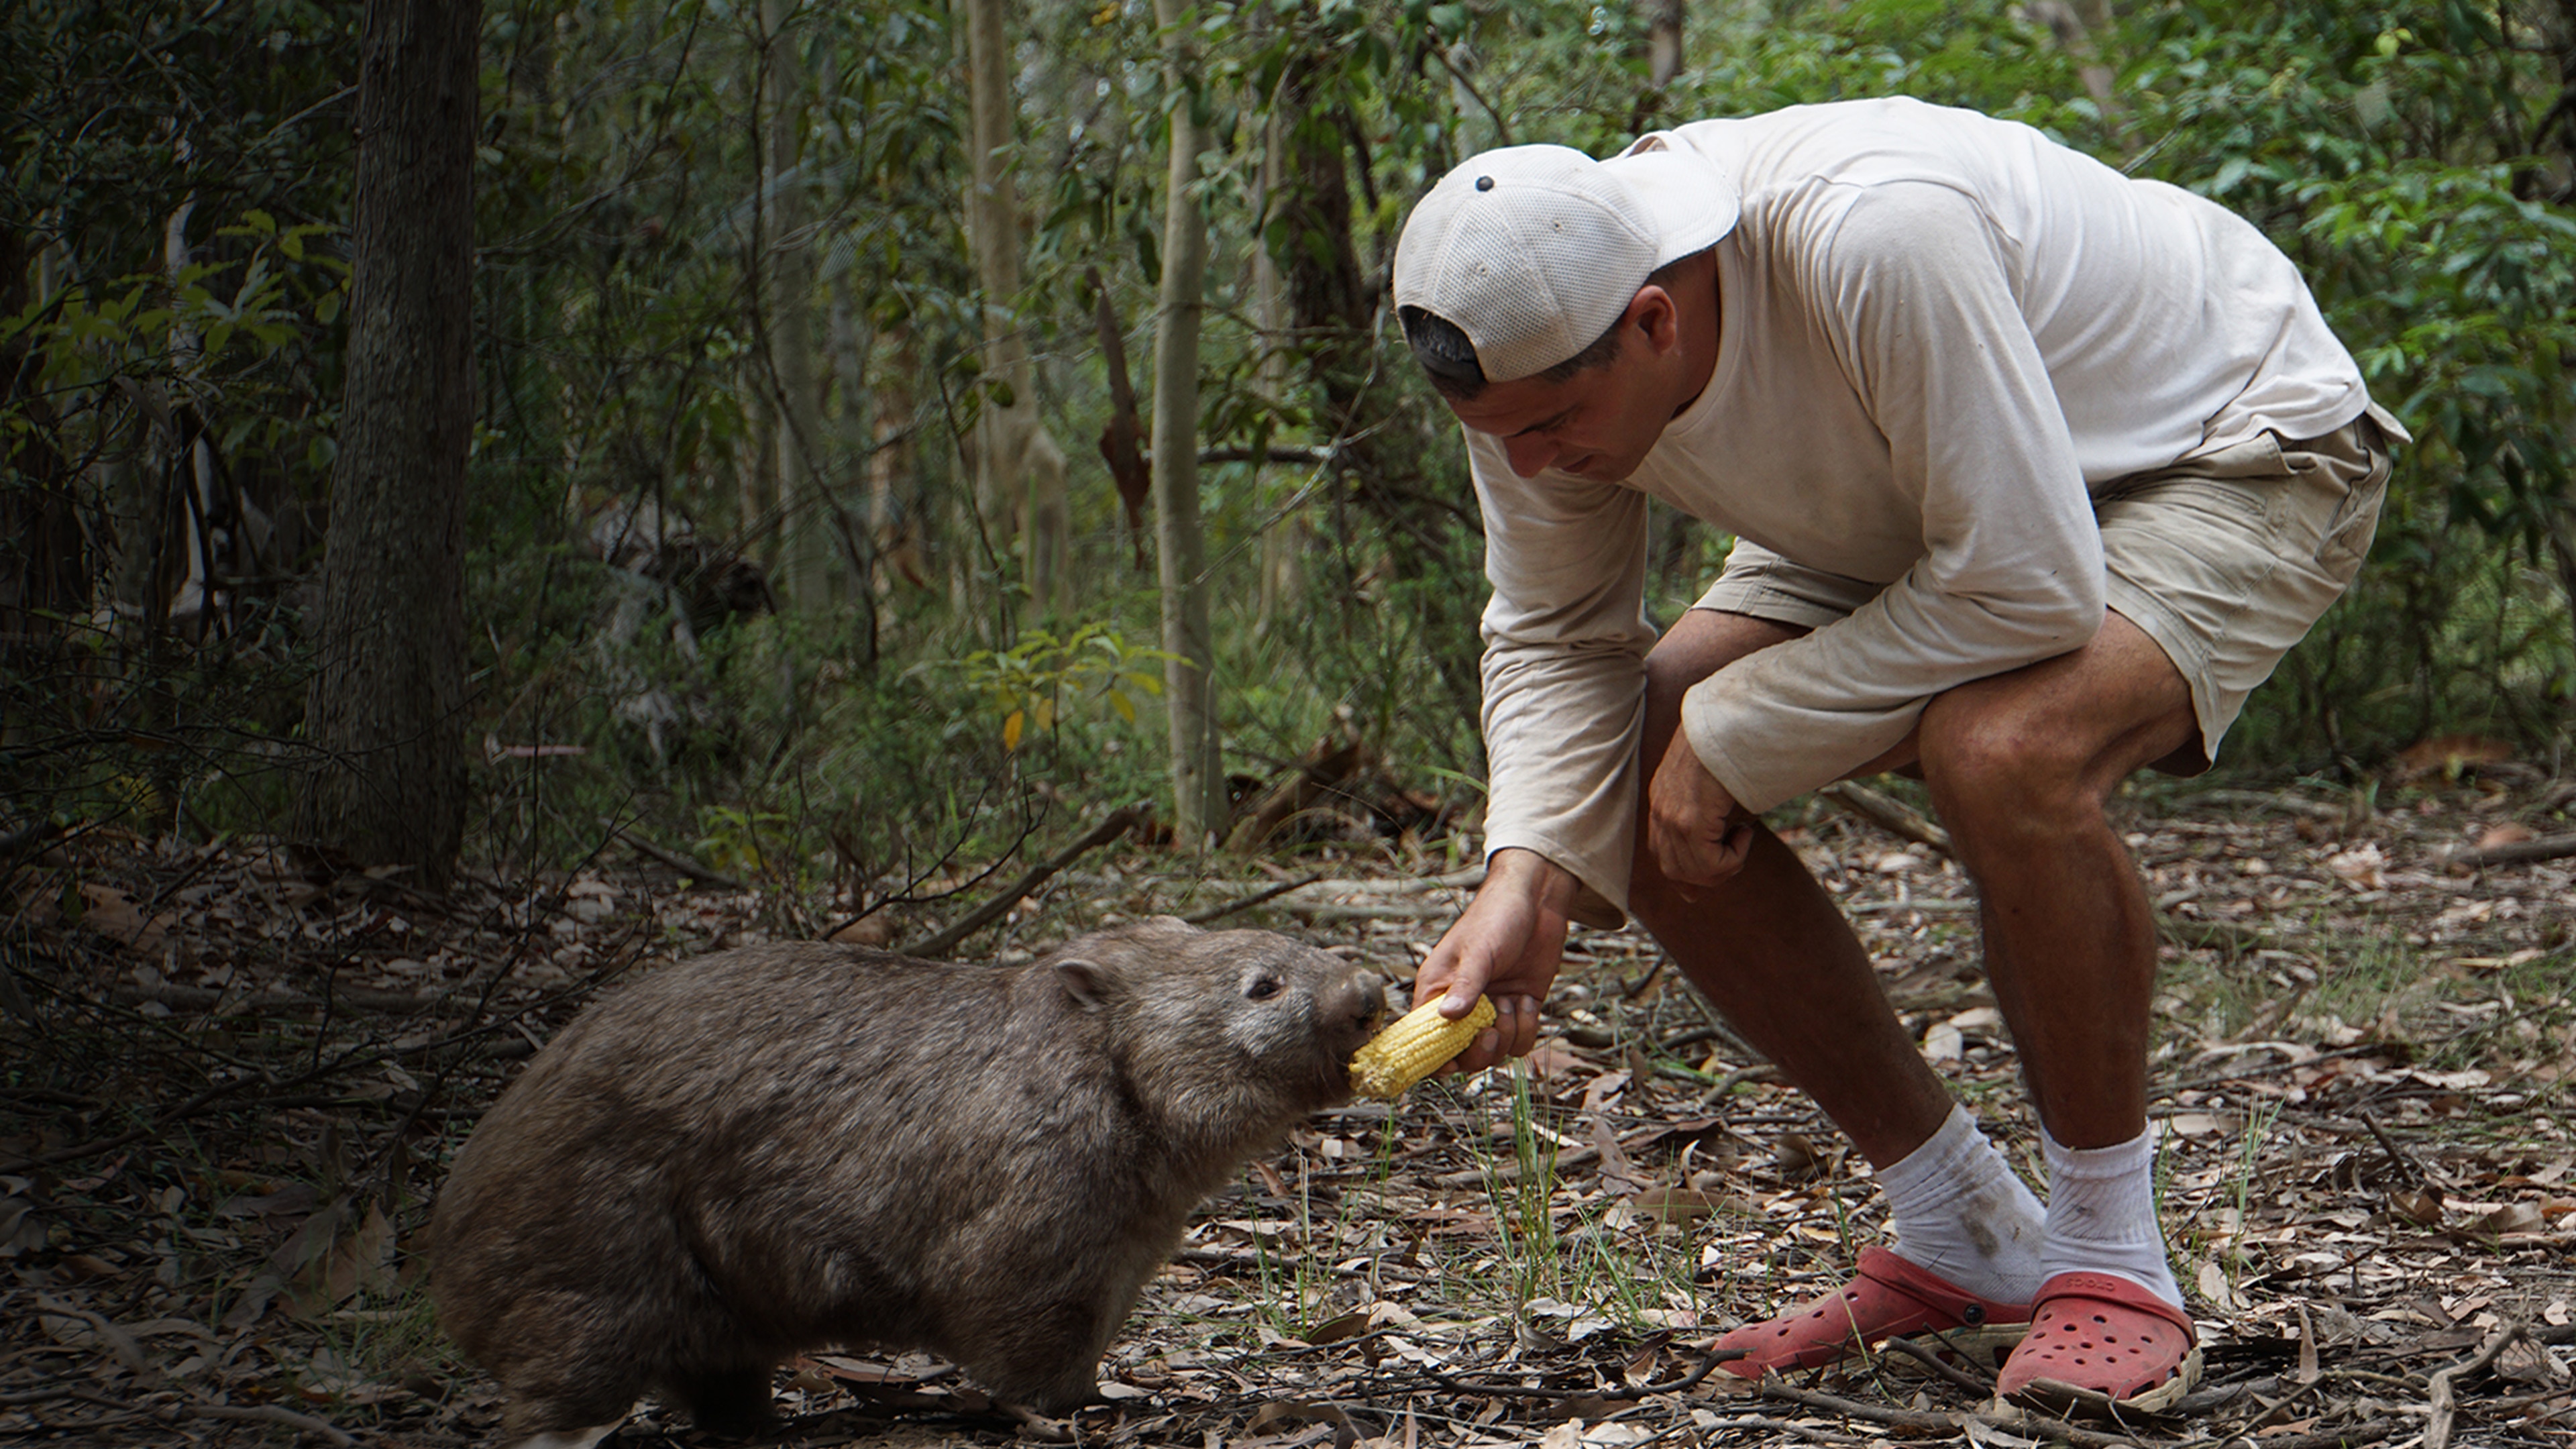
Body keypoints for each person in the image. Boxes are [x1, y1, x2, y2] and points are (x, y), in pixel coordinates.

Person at [1389, 95, 2402, 1416]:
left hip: (2220, 442)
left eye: (1550, 426)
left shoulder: (1871, 234)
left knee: (2002, 750)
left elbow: (2025, 587)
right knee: (1614, 775)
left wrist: (1734, 735)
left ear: (1655, 323)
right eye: (1499, 436)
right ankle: (1965, 1230)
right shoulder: (1542, 360)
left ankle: (2112, 1260)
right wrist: (1521, 874)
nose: (1530, 466)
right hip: (1928, 493)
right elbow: (1553, 633)